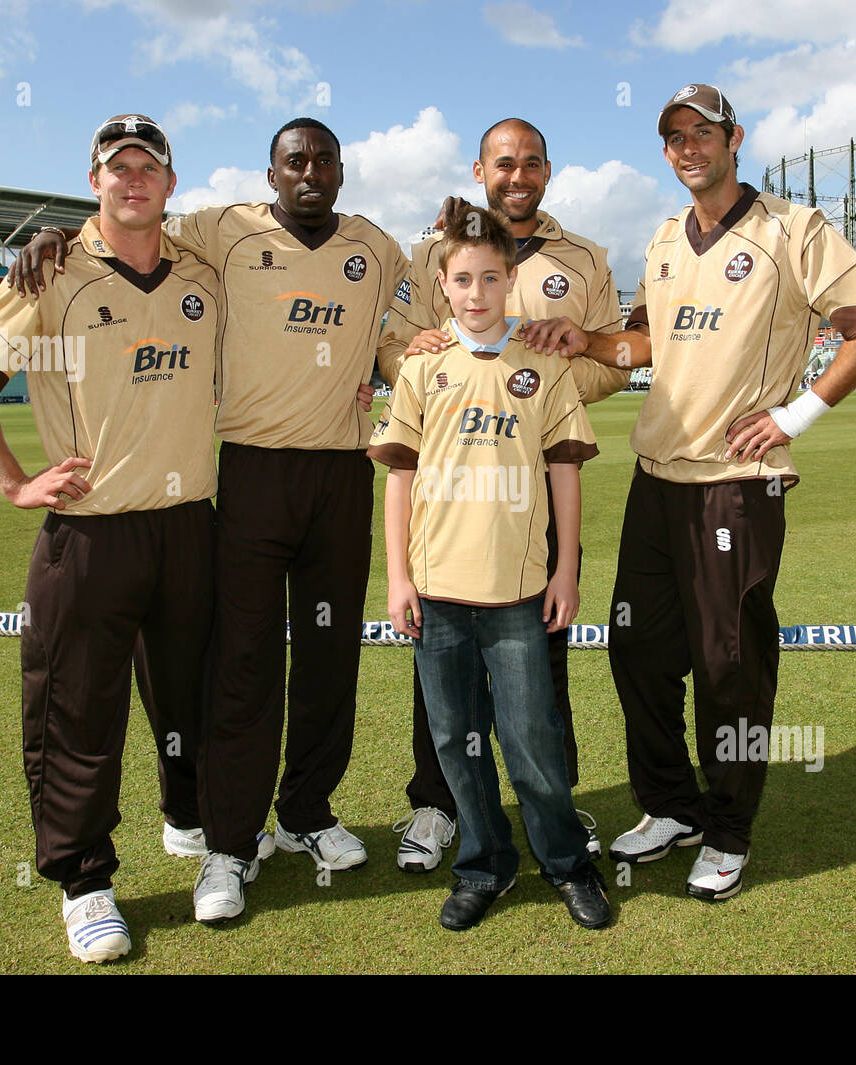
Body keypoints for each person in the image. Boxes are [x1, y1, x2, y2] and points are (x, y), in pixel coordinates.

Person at [8, 118, 406, 923]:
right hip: (253, 471)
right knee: (244, 660)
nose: (310, 171)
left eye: (325, 158)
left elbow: (400, 332)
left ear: (341, 168)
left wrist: (398, 373)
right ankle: (227, 842)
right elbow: (123, 220)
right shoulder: (221, 230)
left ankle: (306, 813)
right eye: (295, 160)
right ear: (271, 172)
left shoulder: (379, 245)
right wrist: (53, 232)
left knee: (331, 655)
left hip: (342, 472)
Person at [523, 84, 856, 901]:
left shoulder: (790, 230)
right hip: (657, 480)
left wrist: (795, 415)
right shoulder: (664, 239)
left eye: (702, 132)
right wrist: (582, 338)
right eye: (673, 138)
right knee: (637, 652)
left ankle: (729, 829)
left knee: (728, 666)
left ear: (734, 137)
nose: (688, 147)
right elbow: (644, 343)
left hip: (734, 486)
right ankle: (671, 806)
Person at [0, 114, 220, 961]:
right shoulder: (49, 272)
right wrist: (15, 483)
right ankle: (86, 881)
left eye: (149, 167)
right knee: (76, 713)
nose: (133, 180)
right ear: (93, 180)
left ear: (171, 183)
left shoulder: (205, 271)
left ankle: (191, 821)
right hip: (91, 535)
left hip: (188, 526)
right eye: (116, 168)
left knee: (193, 696)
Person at [375, 118, 631, 872]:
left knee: (538, 678)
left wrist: (555, 363)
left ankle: (556, 810)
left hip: (532, 496)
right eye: (503, 164)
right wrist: (411, 350)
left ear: (548, 170)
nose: (517, 176)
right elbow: (394, 346)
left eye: (531, 164)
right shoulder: (431, 255)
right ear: (481, 169)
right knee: (443, 680)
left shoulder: (585, 257)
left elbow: (614, 358)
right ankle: (439, 806)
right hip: (446, 516)